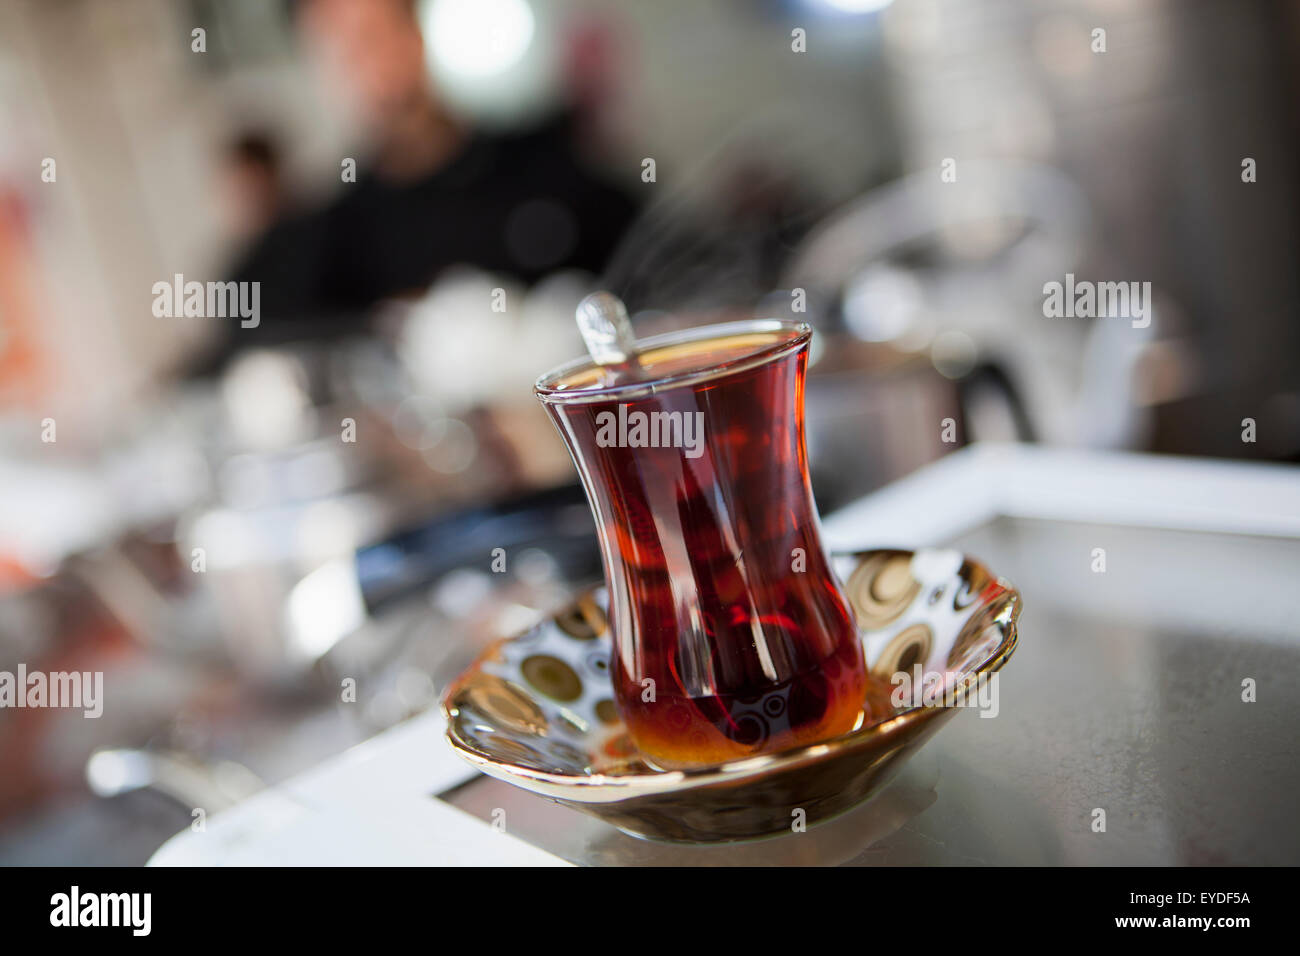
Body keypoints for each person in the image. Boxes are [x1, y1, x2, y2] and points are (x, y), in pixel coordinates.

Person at [194, 0, 637, 369]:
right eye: (342, 50)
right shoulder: (335, 231)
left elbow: (659, 257)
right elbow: (240, 320)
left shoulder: (542, 166)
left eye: (375, 36)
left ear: (416, 31)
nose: (368, 65)